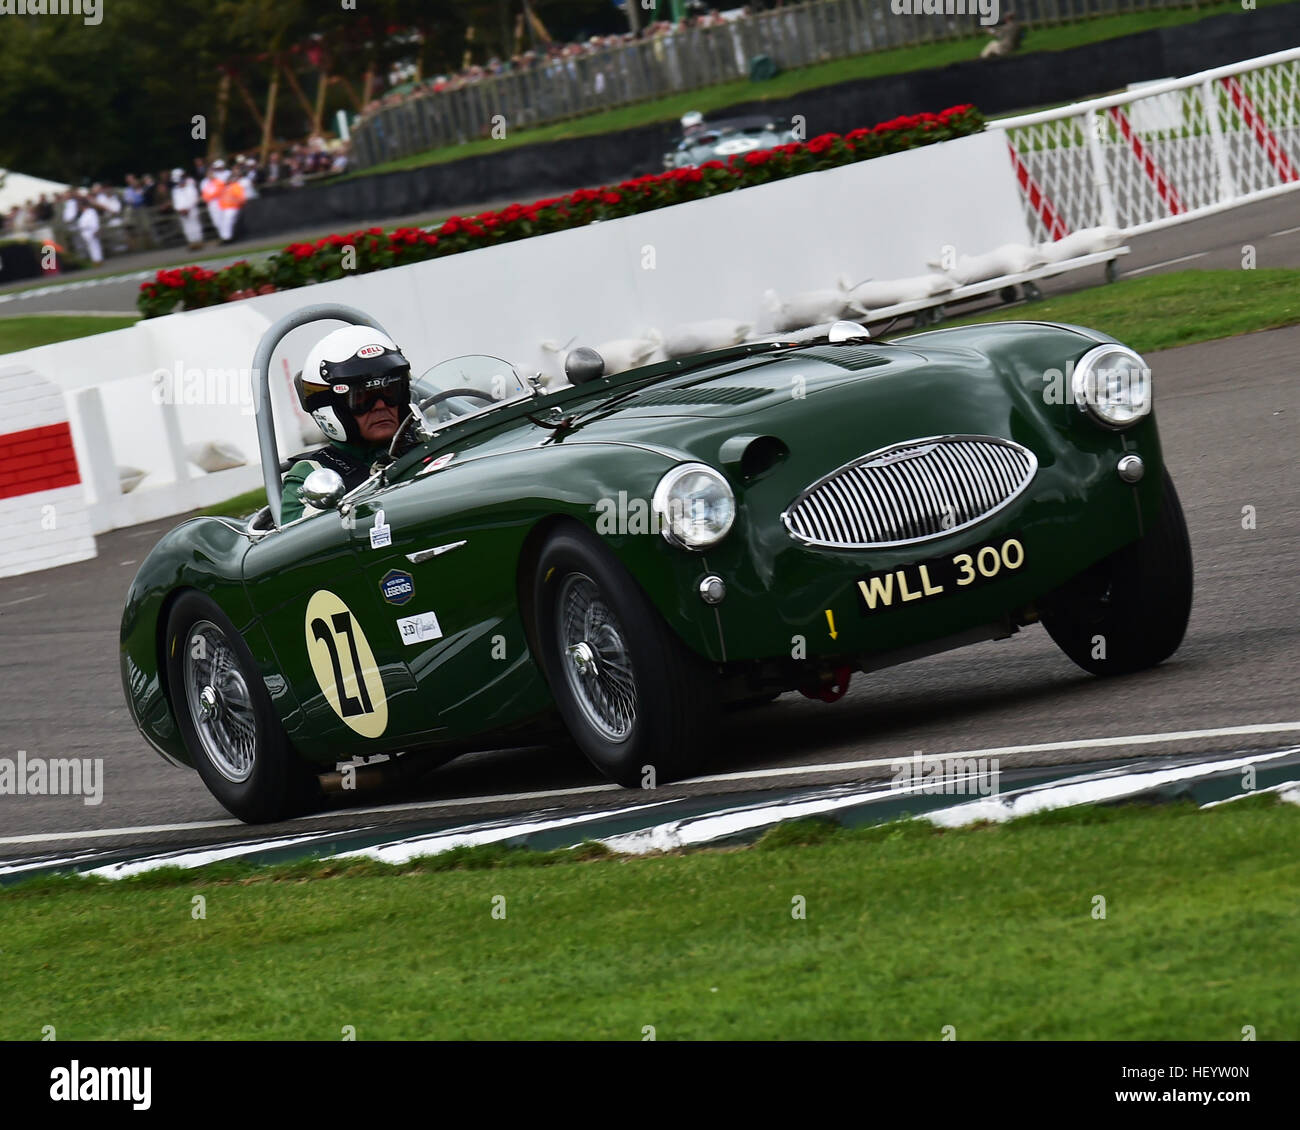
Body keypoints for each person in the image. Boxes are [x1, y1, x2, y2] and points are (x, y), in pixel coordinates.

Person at [281, 327, 417, 523]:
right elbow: (302, 545)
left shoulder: (429, 441)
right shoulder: (310, 475)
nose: (380, 406)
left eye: (390, 392)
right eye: (361, 398)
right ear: (330, 407)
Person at [170, 168, 203, 250]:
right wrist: (180, 210)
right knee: (186, 227)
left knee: (195, 225)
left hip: (191, 210)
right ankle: (192, 242)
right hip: (182, 212)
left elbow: (194, 199)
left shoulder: (190, 187)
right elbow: (176, 202)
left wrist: (188, 209)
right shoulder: (175, 190)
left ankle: (198, 241)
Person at [75, 195, 103, 263]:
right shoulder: (83, 214)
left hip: (91, 231)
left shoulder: (91, 211)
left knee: (95, 246)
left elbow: (94, 222)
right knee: (90, 248)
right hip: (85, 232)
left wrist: (96, 230)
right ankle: (95, 260)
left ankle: (98, 260)